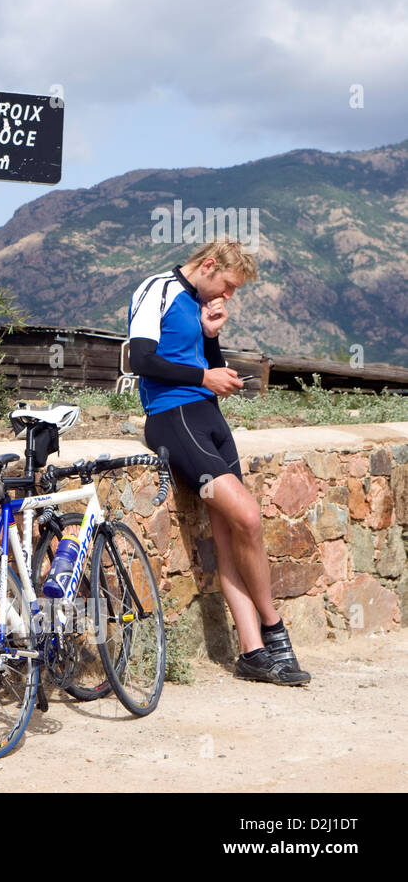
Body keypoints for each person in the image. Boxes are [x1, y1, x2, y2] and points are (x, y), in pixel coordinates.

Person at [128, 237, 310, 686]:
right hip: (172, 419)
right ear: (208, 265)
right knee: (247, 515)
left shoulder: (199, 303)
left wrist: (211, 339)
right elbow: (141, 360)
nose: (228, 295)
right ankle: (274, 628)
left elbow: (206, 366)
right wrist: (204, 375)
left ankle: (252, 653)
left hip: (209, 420)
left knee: (230, 531)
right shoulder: (157, 289)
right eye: (228, 285)